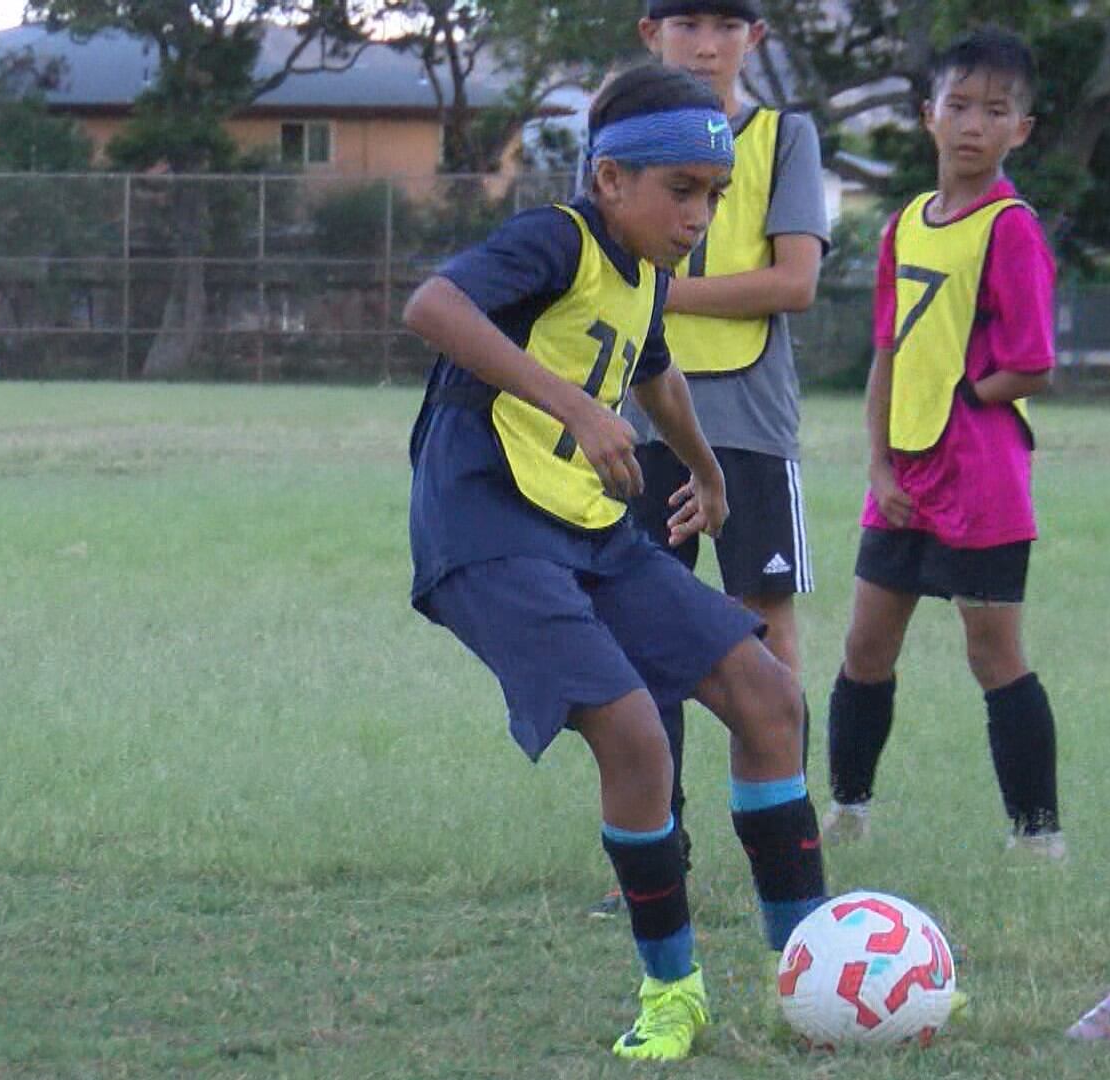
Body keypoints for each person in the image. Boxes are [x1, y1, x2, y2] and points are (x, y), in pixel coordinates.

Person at [403, 64, 829, 1061]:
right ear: (609, 180)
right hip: (486, 527)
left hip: (587, 526)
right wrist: (579, 406)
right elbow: (433, 306)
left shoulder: (646, 277)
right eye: (681, 190)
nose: (699, 213)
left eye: (714, 196)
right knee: (637, 740)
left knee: (770, 698)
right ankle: (671, 993)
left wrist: (707, 473)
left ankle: (816, 971)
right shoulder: (558, 235)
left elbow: (657, 373)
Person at [583, 0, 830, 919]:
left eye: (728, 24)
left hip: (752, 425)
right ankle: (656, 855)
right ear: (652, 37)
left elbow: (793, 281)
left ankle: (786, 849)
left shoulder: (785, 136)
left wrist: (669, 289)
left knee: (763, 632)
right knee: (641, 636)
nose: (706, 41)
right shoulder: (613, 136)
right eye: (686, 22)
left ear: (754, 41)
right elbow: (598, 265)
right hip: (639, 425)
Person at [821, 27, 1067, 858]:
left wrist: (968, 395)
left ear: (1019, 131)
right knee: (864, 646)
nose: (973, 124)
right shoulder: (903, 228)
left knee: (993, 656)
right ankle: (848, 810)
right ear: (928, 115)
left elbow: (1033, 364)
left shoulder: (1012, 229)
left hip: (985, 483)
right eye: (958, 104)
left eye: (995, 111)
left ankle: (1037, 837)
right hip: (902, 482)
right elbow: (888, 352)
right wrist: (881, 462)